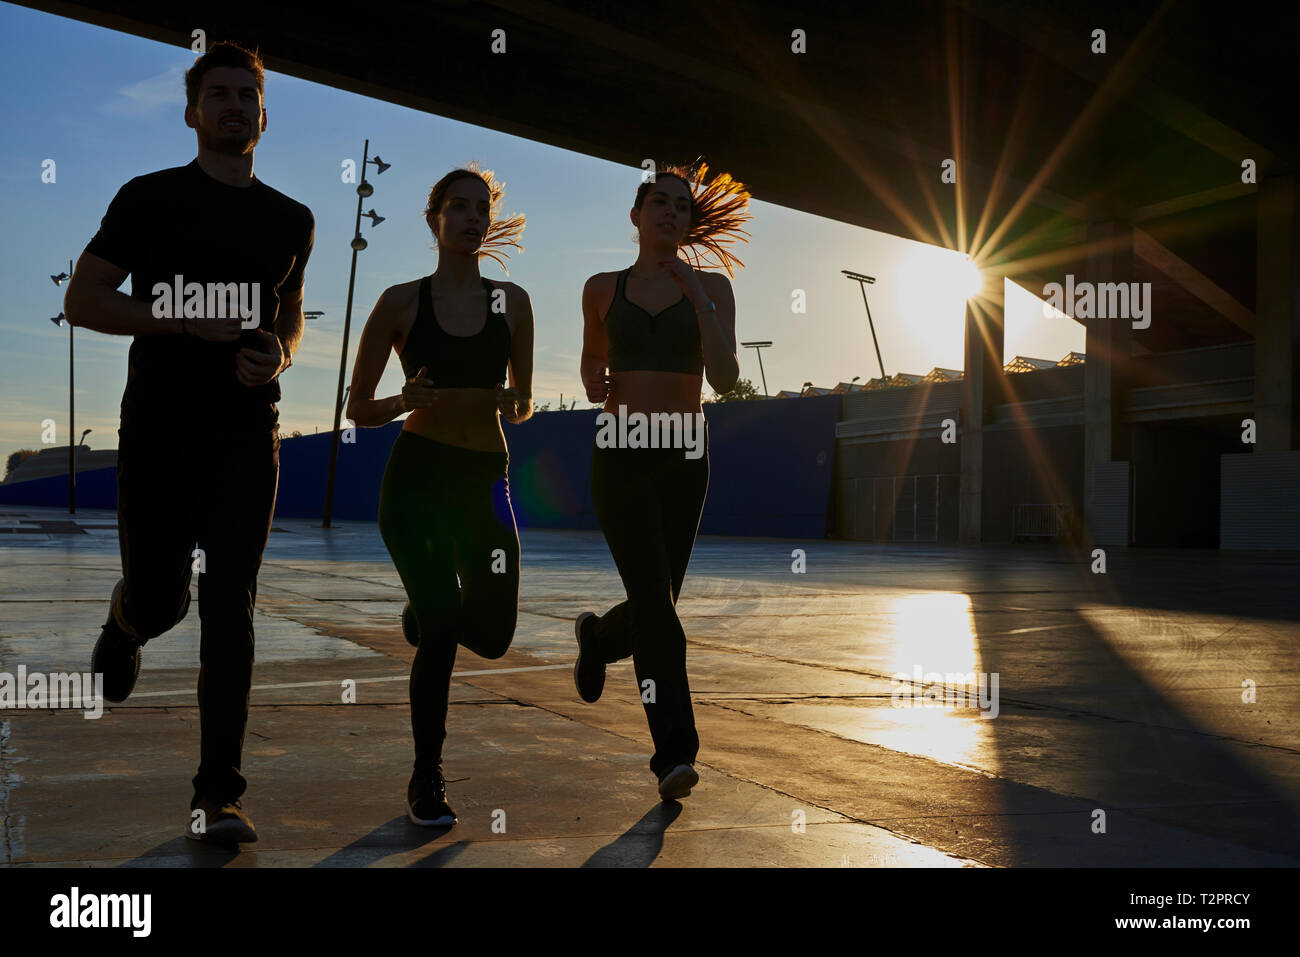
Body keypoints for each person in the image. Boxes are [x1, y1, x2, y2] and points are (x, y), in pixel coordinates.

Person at [66, 42, 315, 844]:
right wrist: (175, 320)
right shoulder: (149, 200)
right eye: (219, 94)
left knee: (231, 608)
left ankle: (219, 795)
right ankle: (128, 618)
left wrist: (280, 351)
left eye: (248, 95)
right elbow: (84, 298)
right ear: (192, 112)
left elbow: (291, 315)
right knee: (163, 594)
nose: (235, 106)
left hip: (248, 436)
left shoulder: (292, 220)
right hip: (160, 433)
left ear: (264, 115)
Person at [346, 164, 533, 827]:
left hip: (483, 481)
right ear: (435, 219)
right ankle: (427, 779)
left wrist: (516, 401)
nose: (472, 217)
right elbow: (359, 406)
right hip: (417, 481)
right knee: (445, 631)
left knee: (494, 634)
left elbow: (524, 400)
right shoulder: (400, 302)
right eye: (458, 206)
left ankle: (427, 614)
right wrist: (403, 399)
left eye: (482, 207)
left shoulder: (513, 302)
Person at [575, 161, 750, 800]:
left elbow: (727, 378)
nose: (670, 212)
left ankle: (597, 637)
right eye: (659, 202)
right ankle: (673, 753)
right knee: (656, 605)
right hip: (620, 451)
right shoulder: (601, 287)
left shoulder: (714, 287)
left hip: (683, 454)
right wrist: (594, 379)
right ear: (637, 214)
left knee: (657, 605)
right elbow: (594, 359)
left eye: (681, 205)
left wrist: (698, 297)